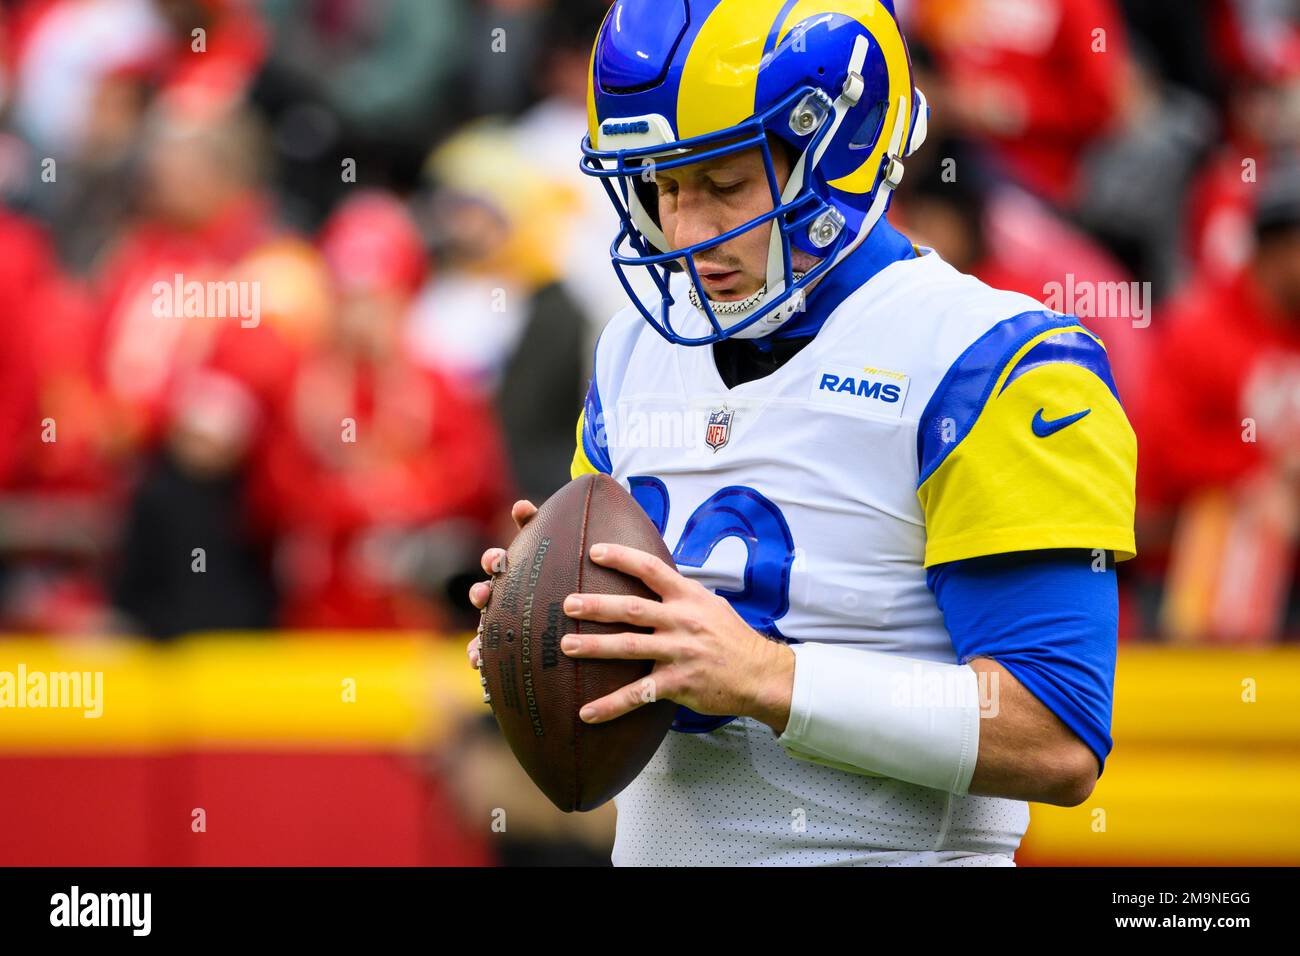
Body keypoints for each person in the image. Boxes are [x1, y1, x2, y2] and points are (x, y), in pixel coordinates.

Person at [467, 0, 1136, 867]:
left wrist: (766, 678)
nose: (685, 232)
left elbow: (1056, 737)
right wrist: (552, 639)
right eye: (662, 186)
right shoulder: (634, 350)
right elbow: (637, 670)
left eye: (723, 182)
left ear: (844, 152)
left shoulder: (993, 361)